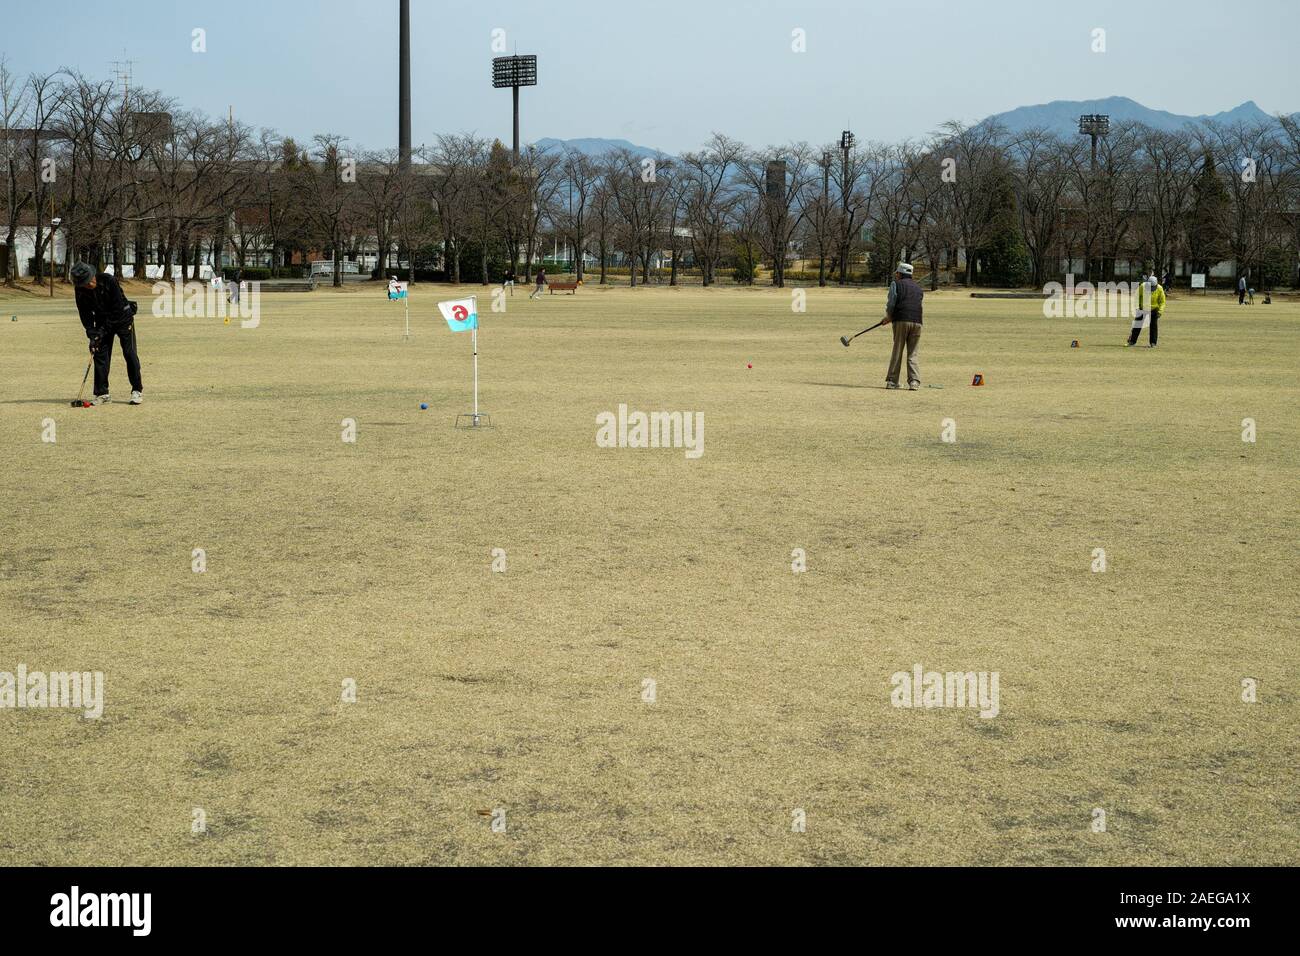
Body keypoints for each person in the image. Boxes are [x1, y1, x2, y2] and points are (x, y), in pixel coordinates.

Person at [72, 262, 142, 405]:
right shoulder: (80, 290)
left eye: (89, 281)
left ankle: (137, 390)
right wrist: (92, 335)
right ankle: (102, 393)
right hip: (102, 320)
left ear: (93, 276)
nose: (89, 285)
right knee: (100, 354)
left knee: (129, 353)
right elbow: (84, 314)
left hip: (122, 318)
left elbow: (116, 310)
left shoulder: (109, 280)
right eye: (84, 284)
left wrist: (101, 332)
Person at [881, 262, 923, 390]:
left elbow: (892, 303)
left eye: (897, 273)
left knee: (898, 350)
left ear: (899, 274)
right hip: (917, 322)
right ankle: (914, 382)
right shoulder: (918, 288)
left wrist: (889, 316)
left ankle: (892, 381)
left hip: (901, 321)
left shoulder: (896, 284)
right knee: (913, 353)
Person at [1128, 274, 1164, 347]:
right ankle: (1132, 342)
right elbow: (1137, 298)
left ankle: (1153, 343)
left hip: (1154, 309)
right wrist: (1137, 307)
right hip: (1142, 308)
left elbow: (1162, 301)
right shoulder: (1142, 286)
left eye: (1153, 287)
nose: (1152, 288)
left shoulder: (1160, 288)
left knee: (1153, 327)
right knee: (1137, 325)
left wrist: (1160, 311)